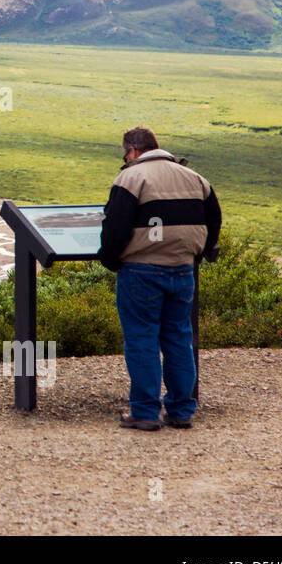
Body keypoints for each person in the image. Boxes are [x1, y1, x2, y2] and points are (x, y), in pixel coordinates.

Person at [98, 126, 221, 431]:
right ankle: (181, 411)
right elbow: (214, 220)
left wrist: (111, 261)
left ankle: (145, 412)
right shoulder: (195, 178)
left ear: (133, 151)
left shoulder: (130, 178)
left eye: (125, 153)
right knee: (179, 338)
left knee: (142, 339)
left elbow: (115, 228)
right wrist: (198, 254)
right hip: (182, 270)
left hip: (140, 271)